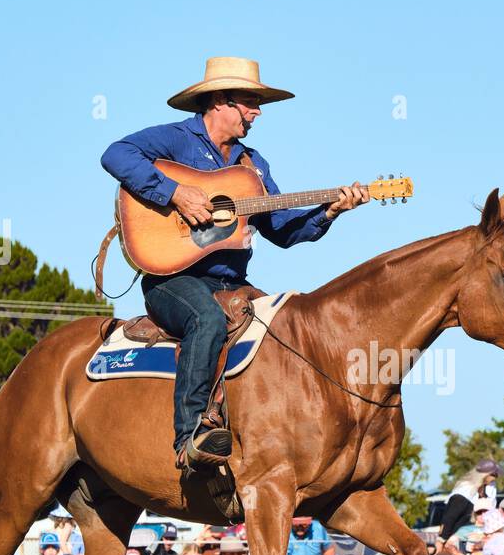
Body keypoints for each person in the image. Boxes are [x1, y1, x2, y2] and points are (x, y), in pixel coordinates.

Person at [101, 56, 369, 469]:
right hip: (173, 280)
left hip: (232, 285)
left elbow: (282, 229)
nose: (257, 112)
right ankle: (190, 435)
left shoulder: (253, 166)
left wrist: (329, 212)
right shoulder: (175, 140)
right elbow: (116, 155)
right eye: (250, 102)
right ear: (219, 102)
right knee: (206, 321)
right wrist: (175, 194)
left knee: (283, 329)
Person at [438, 460, 501, 553]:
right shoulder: (464, 491)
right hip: (458, 539)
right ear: (484, 475)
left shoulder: (490, 488)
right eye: (494, 475)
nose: (496, 477)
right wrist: (441, 541)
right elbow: (449, 519)